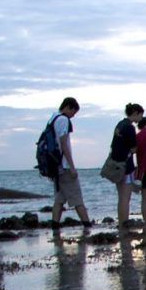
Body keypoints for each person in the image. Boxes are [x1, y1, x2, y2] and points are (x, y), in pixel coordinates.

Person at [47, 97, 90, 229]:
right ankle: (87, 226)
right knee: (77, 199)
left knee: (59, 199)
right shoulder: (63, 120)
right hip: (63, 166)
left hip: (54, 166)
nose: (73, 116)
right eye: (73, 112)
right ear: (68, 107)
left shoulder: (52, 118)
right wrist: (72, 167)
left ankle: (55, 227)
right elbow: (64, 144)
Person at [107, 103, 143, 224]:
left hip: (116, 165)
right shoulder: (129, 127)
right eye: (141, 115)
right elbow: (133, 148)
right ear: (135, 113)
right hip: (126, 166)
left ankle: (121, 222)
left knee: (120, 197)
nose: (141, 119)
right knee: (125, 198)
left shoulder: (120, 125)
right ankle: (124, 222)